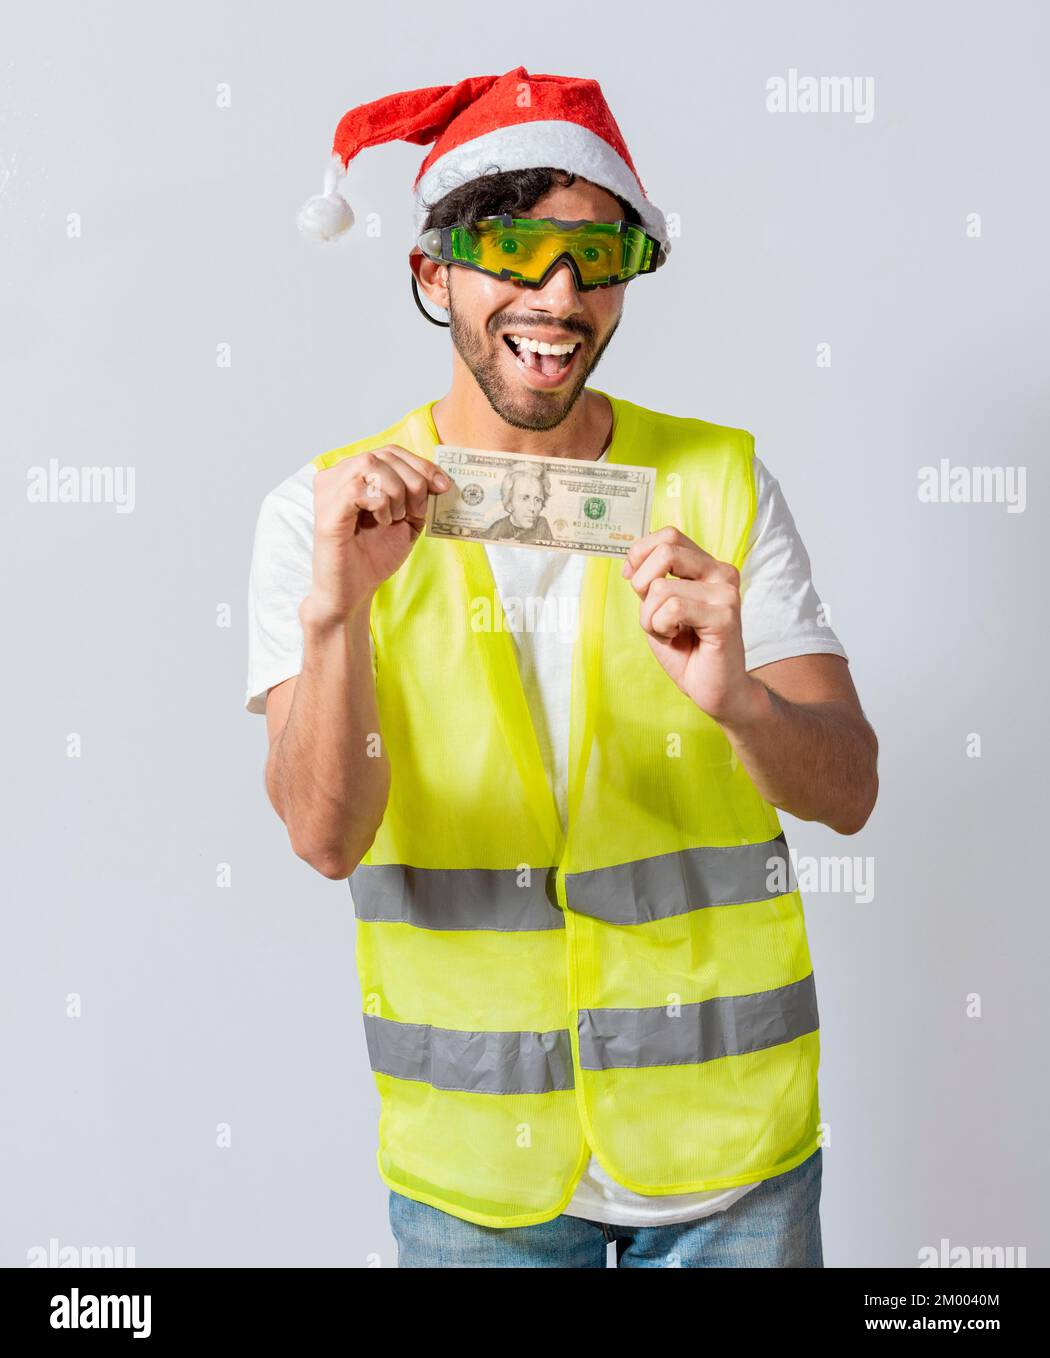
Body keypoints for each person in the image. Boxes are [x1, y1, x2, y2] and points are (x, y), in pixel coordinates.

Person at [246, 68, 879, 1269]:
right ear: (432, 273)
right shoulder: (318, 514)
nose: (559, 294)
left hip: (734, 1161)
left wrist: (741, 699)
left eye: (597, 257)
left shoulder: (721, 483)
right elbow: (326, 839)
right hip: (475, 1182)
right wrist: (335, 620)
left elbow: (848, 789)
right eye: (514, 247)